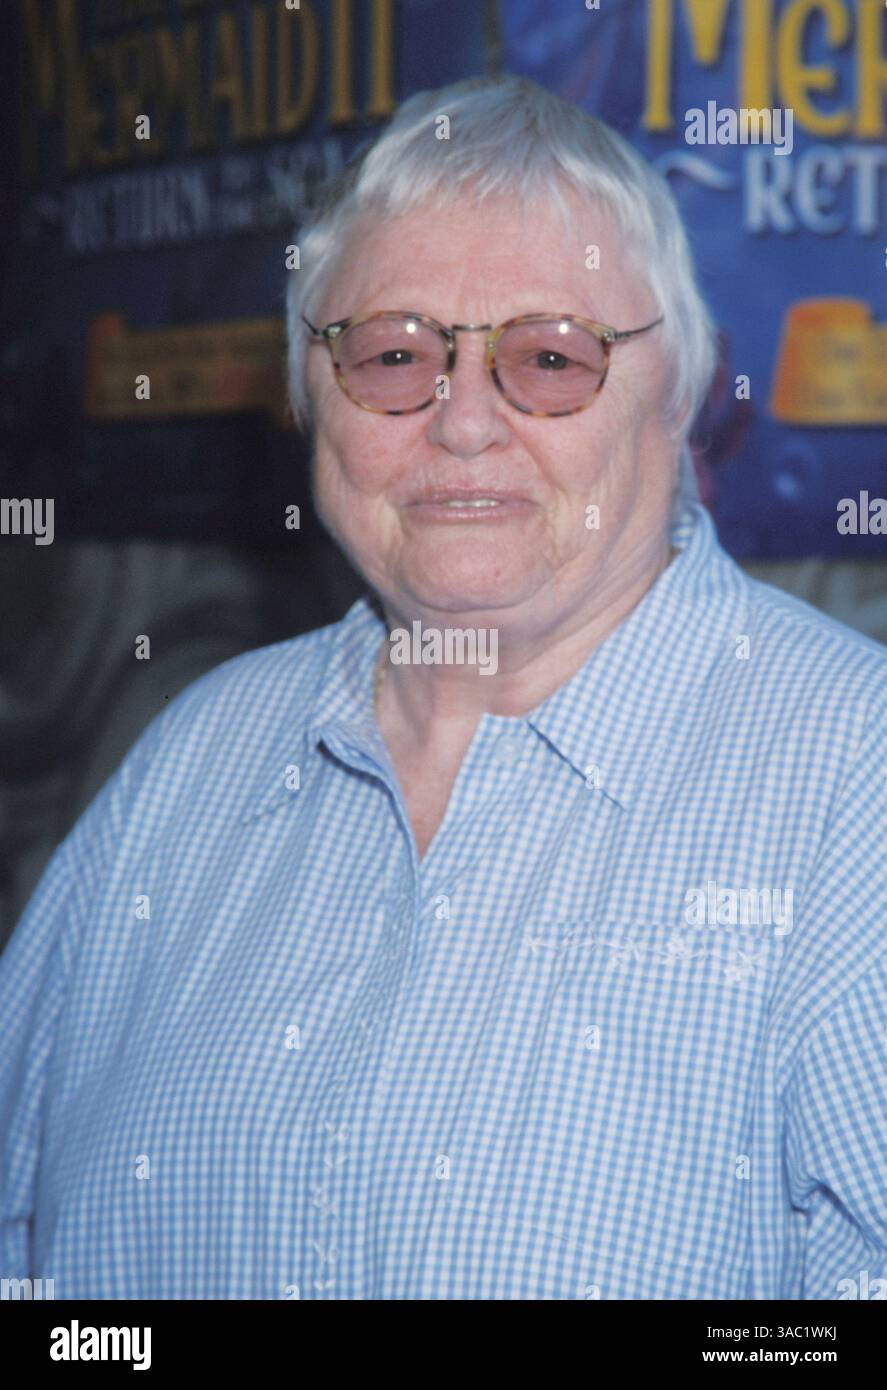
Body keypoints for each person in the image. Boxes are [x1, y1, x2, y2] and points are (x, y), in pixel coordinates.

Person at [2, 75, 885, 1301]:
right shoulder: (187, 764)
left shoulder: (855, 789)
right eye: (393, 354)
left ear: (675, 396)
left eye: (549, 357)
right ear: (311, 399)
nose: (463, 422)